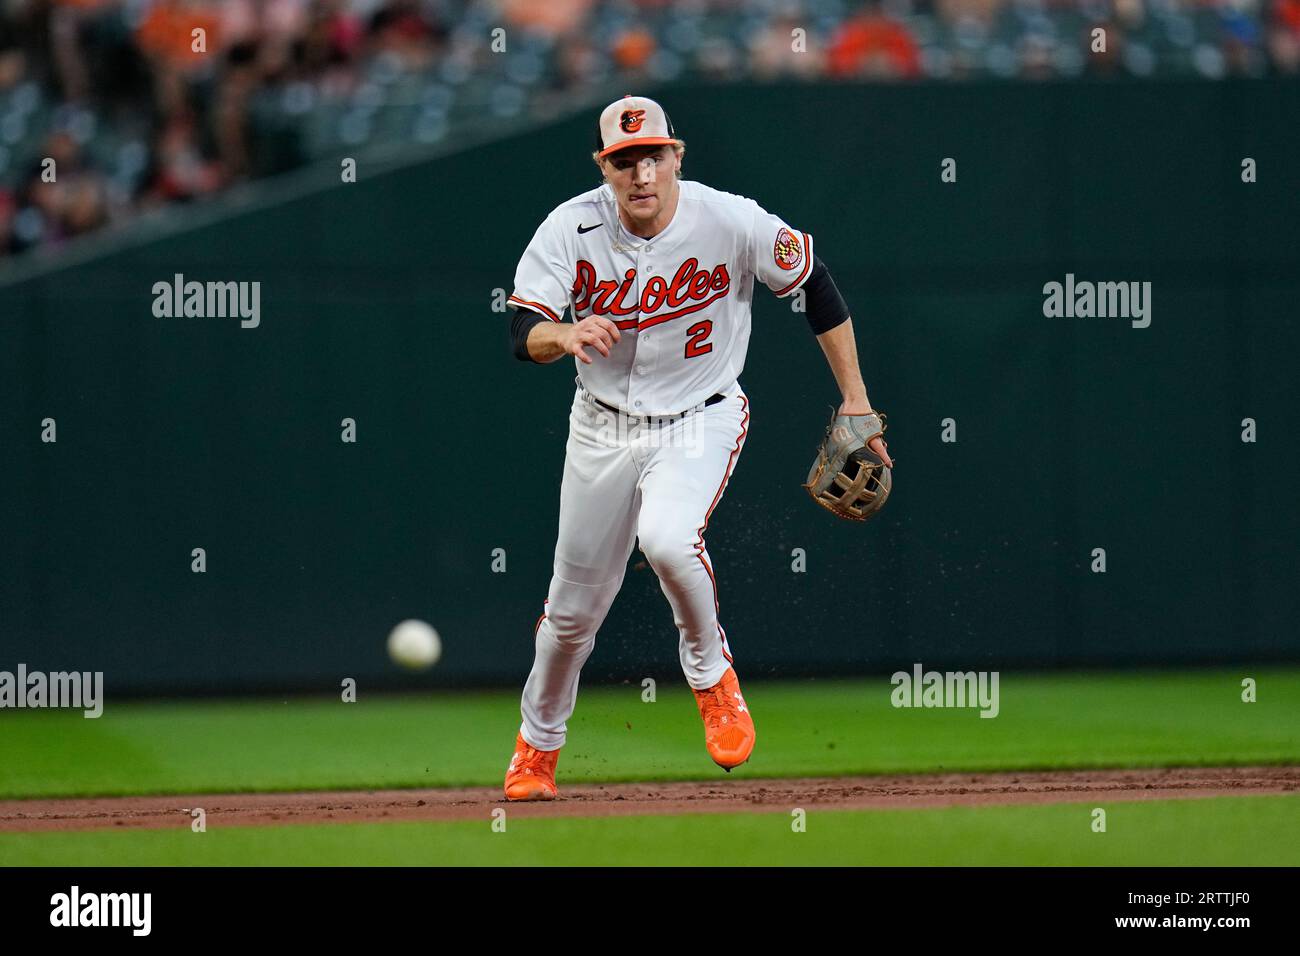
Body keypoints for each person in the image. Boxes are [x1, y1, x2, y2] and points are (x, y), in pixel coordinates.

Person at [502, 94, 891, 800]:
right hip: (602, 426)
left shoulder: (731, 220)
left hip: (699, 418)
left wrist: (856, 402)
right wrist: (565, 334)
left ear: (676, 156)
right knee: (569, 617)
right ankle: (537, 749)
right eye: (624, 160)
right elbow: (521, 330)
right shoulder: (571, 227)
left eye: (652, 154)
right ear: (604, 167)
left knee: (669, 540)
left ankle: (712, 677)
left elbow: (816, 286)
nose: (640, 172)